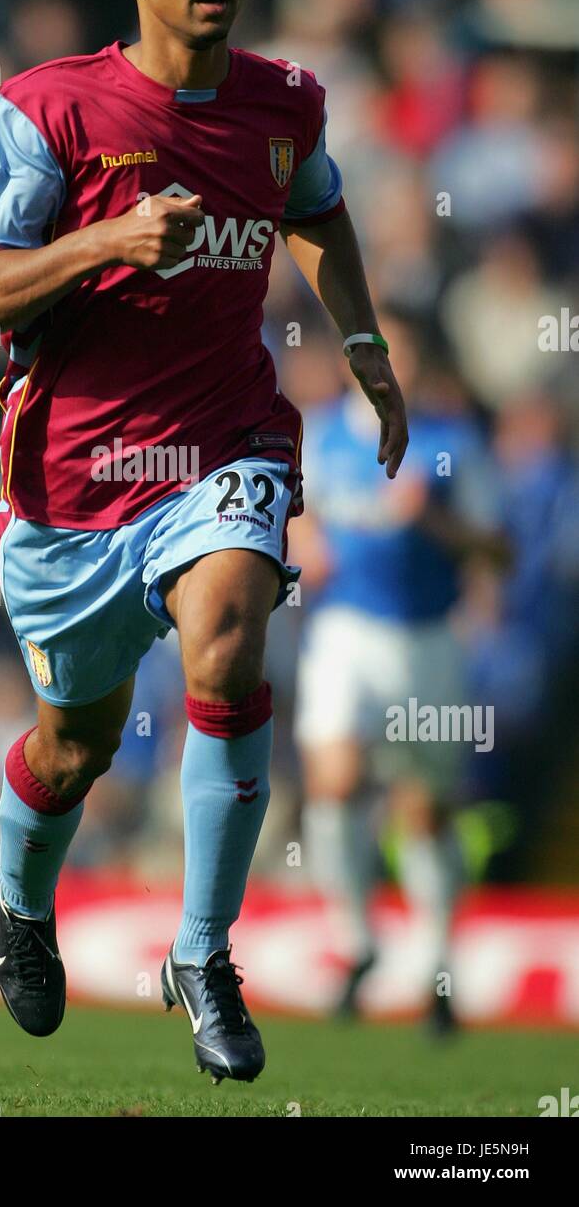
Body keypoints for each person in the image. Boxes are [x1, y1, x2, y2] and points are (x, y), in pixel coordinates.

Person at [0, 0, 408, 1085]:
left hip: (222, 446)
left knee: (229, 635)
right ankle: (24, 908)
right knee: (71, 748)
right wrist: (104, 239)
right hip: (71, 491)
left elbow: (318, 212)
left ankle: (200, 953)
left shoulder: (285, 102)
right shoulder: (51, 111)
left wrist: (360, 344)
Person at [294, 311, 509, 1033]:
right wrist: (306, 543)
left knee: (424, 810)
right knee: (335, 779)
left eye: (397, 351)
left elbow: (499, 554)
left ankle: (439, 968)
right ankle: (356, 945)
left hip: (427, 639)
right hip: (346, 631)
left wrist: (436, 524)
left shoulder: (452, 445)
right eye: (369, 349)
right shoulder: (321, 434)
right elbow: (296, 516)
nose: (381, 364)